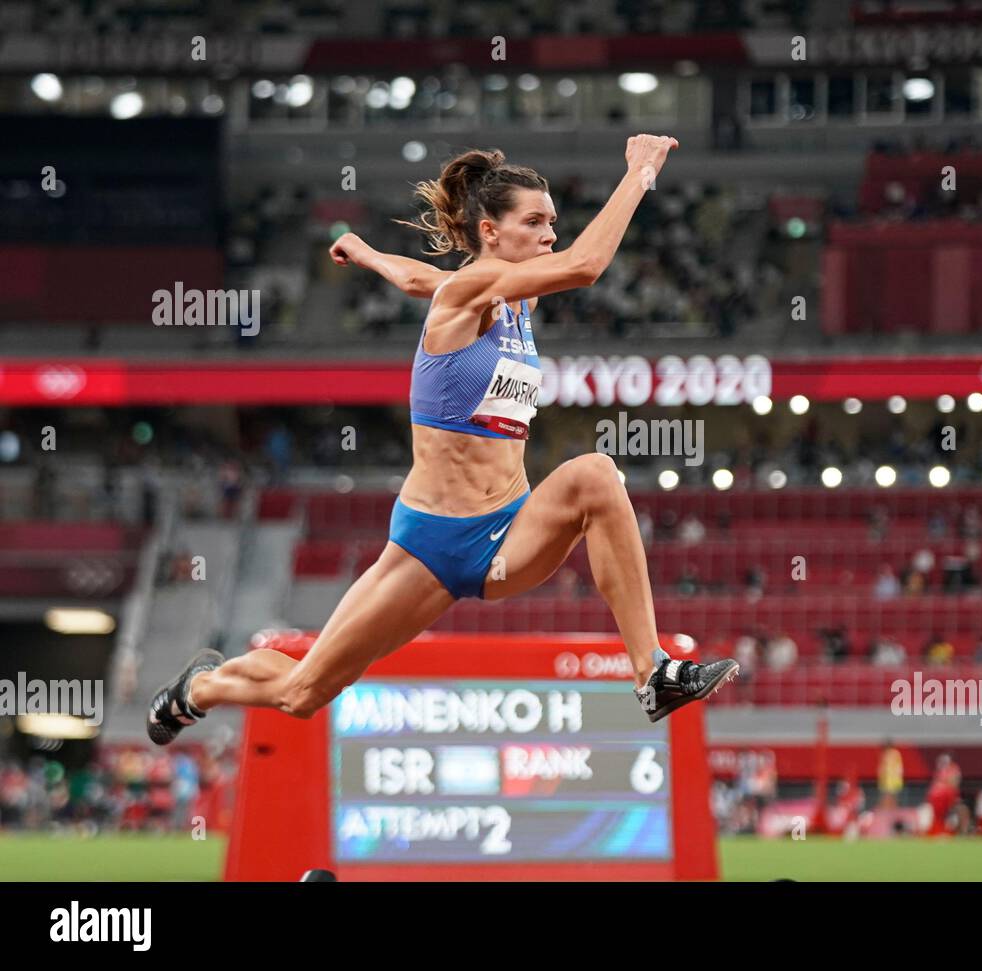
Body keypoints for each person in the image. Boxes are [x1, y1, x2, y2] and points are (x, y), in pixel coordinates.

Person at [147, 138, 739, 743]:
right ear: (490, 231)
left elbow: (418, 278)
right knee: (304, 693)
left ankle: (654, 674)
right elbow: (584, 267)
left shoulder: (511, 297)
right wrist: (641, 172)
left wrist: (369, 253)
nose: (549, 236)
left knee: (595, 474)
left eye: (553, 223)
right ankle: (202, 687)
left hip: (509, 526)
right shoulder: (470, 294)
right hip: (431, 544)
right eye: (534, 223)